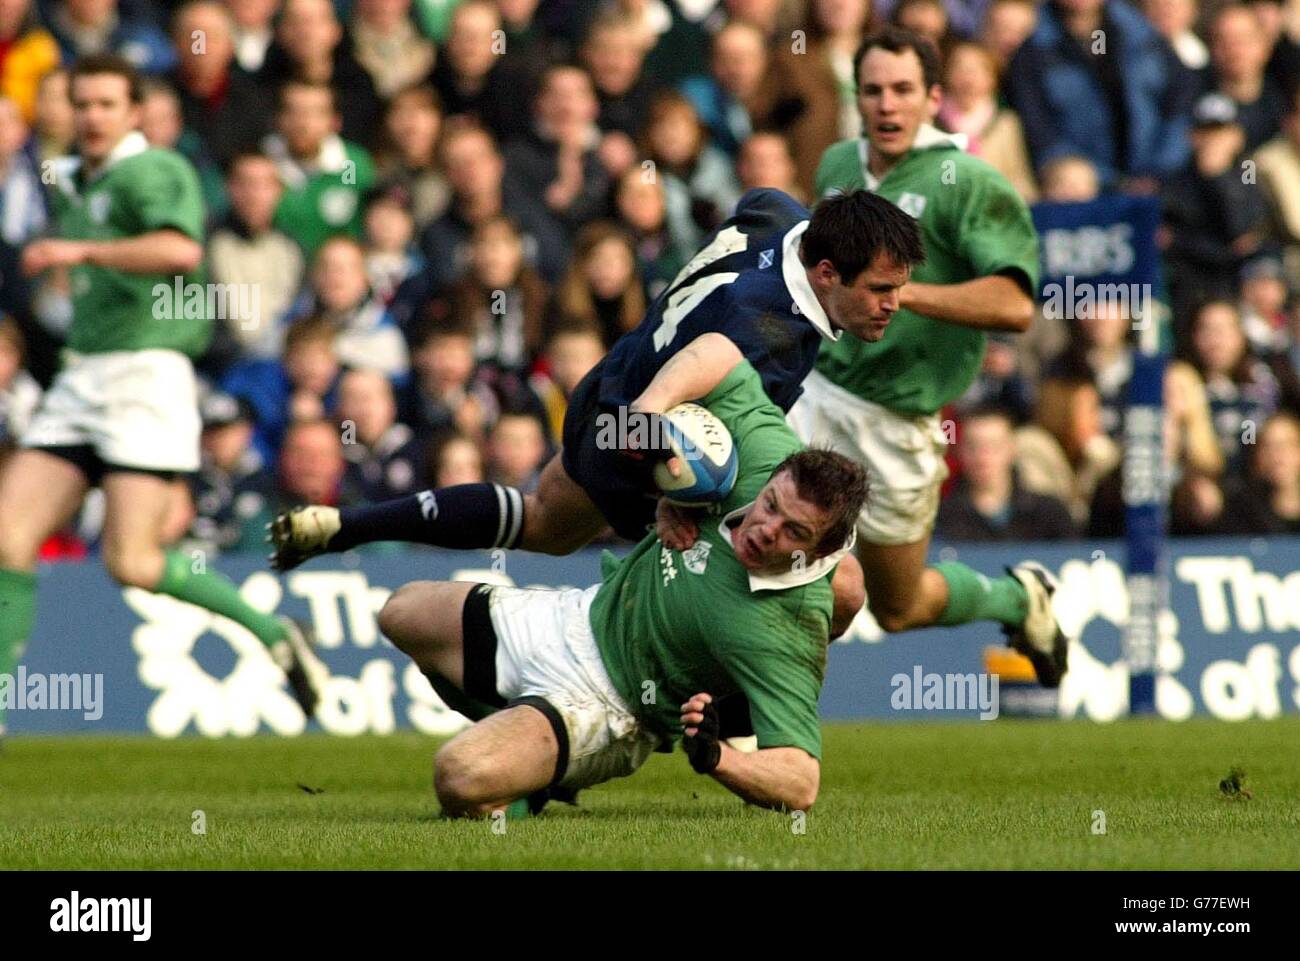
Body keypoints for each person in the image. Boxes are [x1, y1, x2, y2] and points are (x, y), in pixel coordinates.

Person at [268, 186, 921, 566]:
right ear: (826, 272)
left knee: (547, 524)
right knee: (773, 575)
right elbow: (667, 401)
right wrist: (670, 491)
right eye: (882, 289)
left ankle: (350, 526)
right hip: (637, 435)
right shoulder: (769, 332)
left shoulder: (776, 211)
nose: (895, 303)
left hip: (610, 378)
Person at [377, 360, 867, 817]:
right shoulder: (764, 455)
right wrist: (654, 438)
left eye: (794, 533)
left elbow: (800, 783)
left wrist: (719, 759)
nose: (766, 527)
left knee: (460, 776)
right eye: (772, 504)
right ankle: (533, 764)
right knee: (401, 611)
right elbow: (719, 353)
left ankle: (533, 759)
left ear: (821, 552)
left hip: (607, 704)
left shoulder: (790, 623)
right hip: (580, 615)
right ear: (774, 479)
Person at [0, 55, 323, 731]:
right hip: (83, 376)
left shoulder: (154, 169)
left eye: (105, 105)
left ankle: (272, 631)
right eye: (80, 103)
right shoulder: (88, 182)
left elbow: (178, 251)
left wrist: (76, 255)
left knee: (132, 559)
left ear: (135, 113)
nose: (90, 116)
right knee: (6, 536)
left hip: (144, 378)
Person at [805, 27, 1066, 686]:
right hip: (814, 392)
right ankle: (748, 709)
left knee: (898, 606)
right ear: (856, 96)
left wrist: (901, 289)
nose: (886, 105)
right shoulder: (836, 166)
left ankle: (1016, 598)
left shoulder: (968, 180)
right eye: (872, 91)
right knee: (772, 540)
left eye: (902, 90)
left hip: (900, 418)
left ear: (934, 98)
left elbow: (1013, 305)